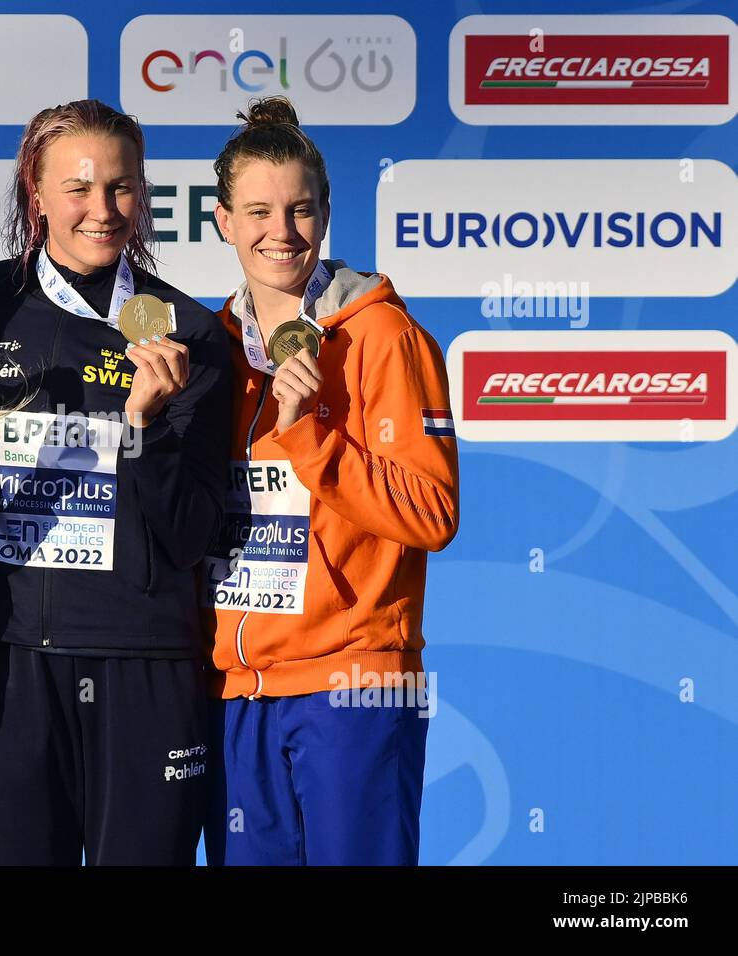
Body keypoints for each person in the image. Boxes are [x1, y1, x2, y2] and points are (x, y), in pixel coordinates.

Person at [0, 99, 231, 865]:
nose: (102, 210)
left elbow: (187, 536)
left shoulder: (190, 334)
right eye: (77, 189)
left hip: (144, 662)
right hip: (9, 660)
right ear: (34, 193)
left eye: (121, 187)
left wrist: (141, 429)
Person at [203, 97, 460, 866]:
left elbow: (433, 511)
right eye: (257, 212)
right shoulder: (212, 347)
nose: (281, 233)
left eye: (300, 210)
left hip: (357, 684)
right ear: (221, 221)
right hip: (240, 690)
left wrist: (310, 433)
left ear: (325, 214)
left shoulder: (384, 336)